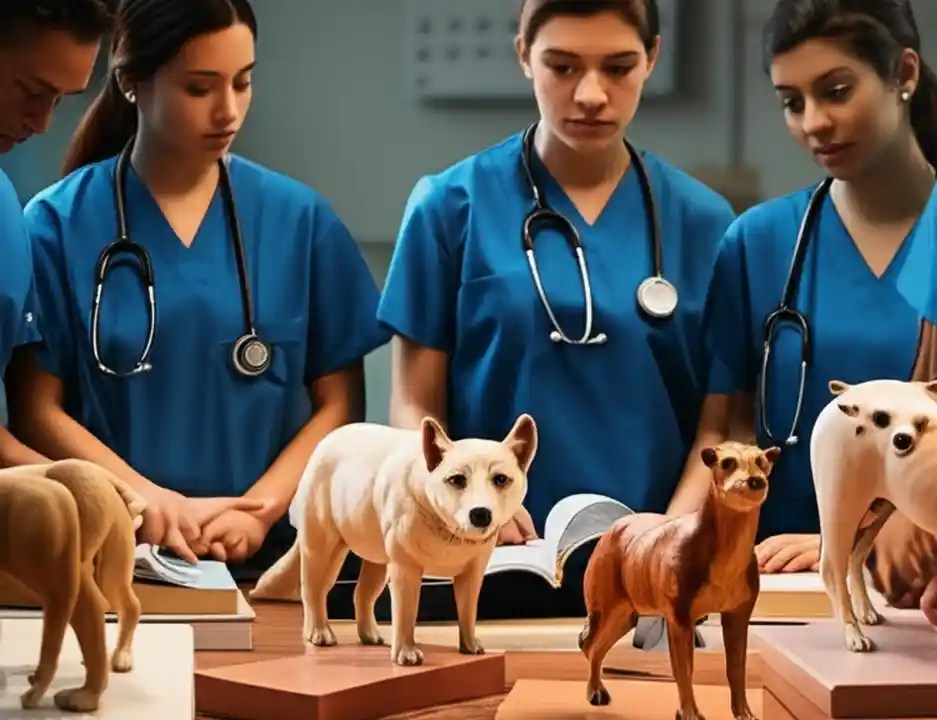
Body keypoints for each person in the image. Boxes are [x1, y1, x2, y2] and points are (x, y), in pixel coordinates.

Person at [377, 0, 737, 617]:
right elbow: (415, 405)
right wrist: (472, 500)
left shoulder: (706, 224)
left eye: (619, 67)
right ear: (523, 55)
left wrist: (672, 537)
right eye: (562, 67)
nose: (591, 94)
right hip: (480, 553)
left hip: (649, 570)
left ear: (652, 58)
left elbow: (721, 425)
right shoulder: (449, 206)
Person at [7, 0, 391, 576]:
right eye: (199, 88)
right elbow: (36, 408)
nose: (228, 111)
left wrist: (261, 510)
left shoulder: (299, 221)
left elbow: (339, 405)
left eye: (243, 83)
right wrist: (144, 500)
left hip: (270, 563)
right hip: (113, 554)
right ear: (132, 82)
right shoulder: (54, 225)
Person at [687, 0, 937, 607]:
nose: (814, 122)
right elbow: (724, 425)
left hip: (926, 584)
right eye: (792, 102)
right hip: (775, 584)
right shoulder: (758, 243)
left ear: (904, 75)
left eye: (836, 91)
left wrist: (848, 539)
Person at [0, 1, 112, 467]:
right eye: (30, 91)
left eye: (60, 101)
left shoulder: (7, 210)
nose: (42, 123)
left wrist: (110, 496)